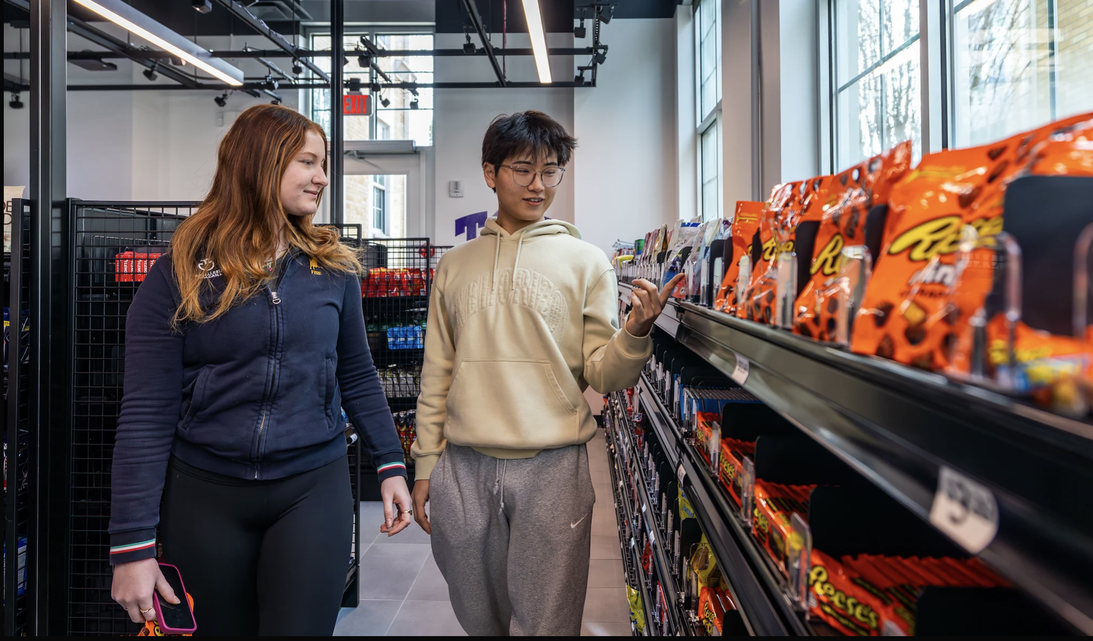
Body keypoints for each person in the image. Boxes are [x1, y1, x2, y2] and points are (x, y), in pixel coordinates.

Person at [108, 105, 414, 636]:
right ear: (260, 163)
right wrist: (131, 544)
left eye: (323, 164)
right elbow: (145, 412)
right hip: (204, 494)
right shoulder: (183, 267)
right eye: (308, 162)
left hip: (311, 489)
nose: (322, 177)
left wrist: (390, 463)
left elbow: (357, 372)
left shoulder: (333, 265)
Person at [410, 110, 681, 636]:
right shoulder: (455, 266)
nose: (538, 185)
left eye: (551, 171)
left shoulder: (587, 262)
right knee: (476, 614)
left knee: (549, 621)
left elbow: (603, 373)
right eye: (523, 170)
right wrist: (425, 467)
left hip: (554, 467)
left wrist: (636, 334)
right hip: (462, 465)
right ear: (491, 173)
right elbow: (437, 370)